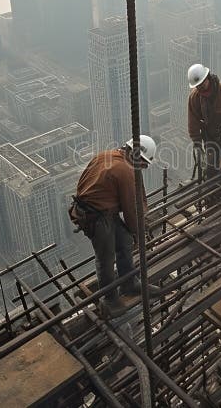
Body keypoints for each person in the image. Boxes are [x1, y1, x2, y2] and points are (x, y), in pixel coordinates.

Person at [70, 135, 159, 318]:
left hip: (101, 211)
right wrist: (139, 233)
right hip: (96, 216)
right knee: (106, 257)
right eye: (144, 164)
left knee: (124, 241)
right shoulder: (125, 171)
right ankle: (109, 298)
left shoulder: (107, 155)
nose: (143, 168)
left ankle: (129, 283)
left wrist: (131, 234)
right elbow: (131, 209)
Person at [187, 63, 221, 181]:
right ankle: (213, 181)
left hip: (219, 131)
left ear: (208, 78)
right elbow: (193, 121)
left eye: (202, 85)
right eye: (198, 87)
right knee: (211, 165)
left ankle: (214, 183)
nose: (201, 89)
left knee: (213, 163)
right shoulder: (195, 97)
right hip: (207, 133)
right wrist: (196, 141)